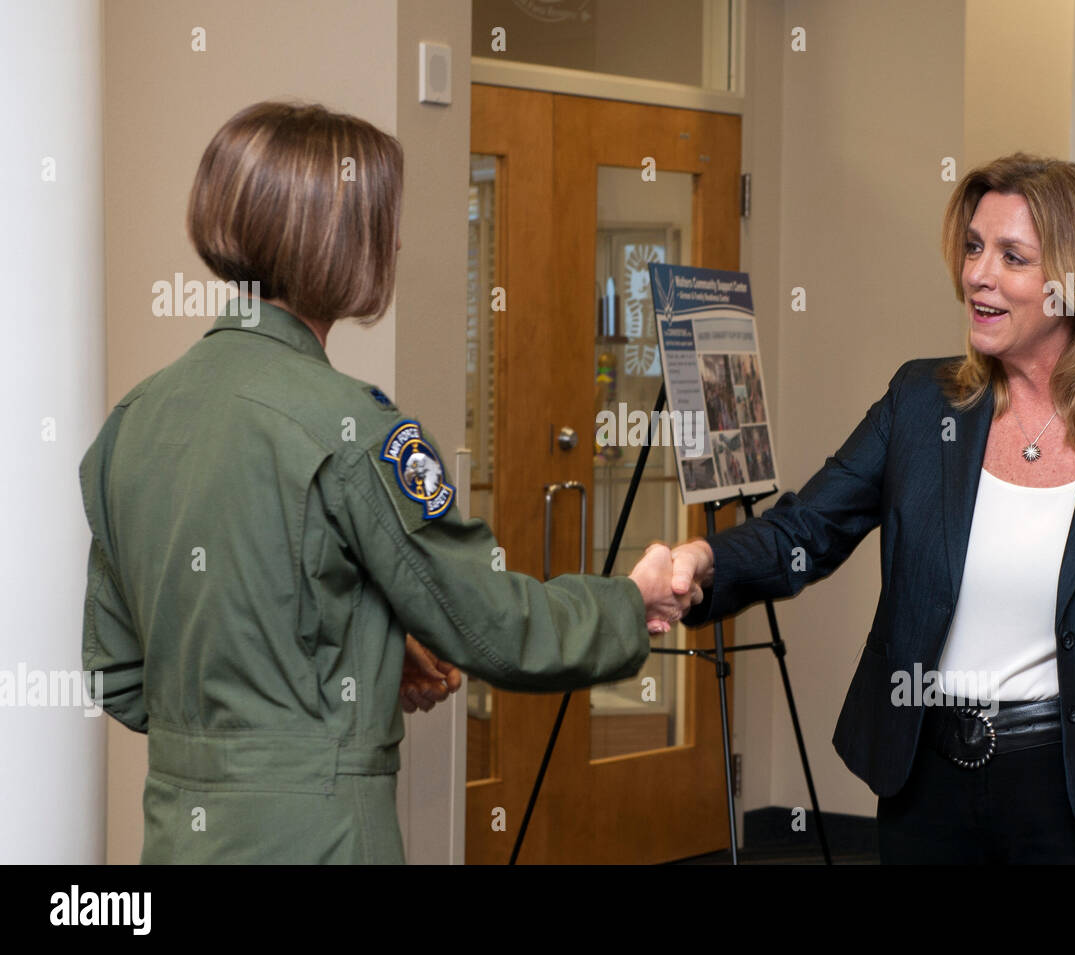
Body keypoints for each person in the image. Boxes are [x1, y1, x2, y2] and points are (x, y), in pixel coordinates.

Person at [79, 101, 689, 864]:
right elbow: (491, 626)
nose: (396, 241)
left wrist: (353, 659)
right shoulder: (355, 428)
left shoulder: (130, 423)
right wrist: (635, 599)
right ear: (340, 241)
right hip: (324, 839)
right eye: (383, 222)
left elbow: (119, 677)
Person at [657, 153, 1075, 864]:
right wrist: (703, 559)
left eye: (1011, 256)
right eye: (972, 246)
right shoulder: (920, 404)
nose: (976, 274)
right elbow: (805, 529)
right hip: (927, 789)